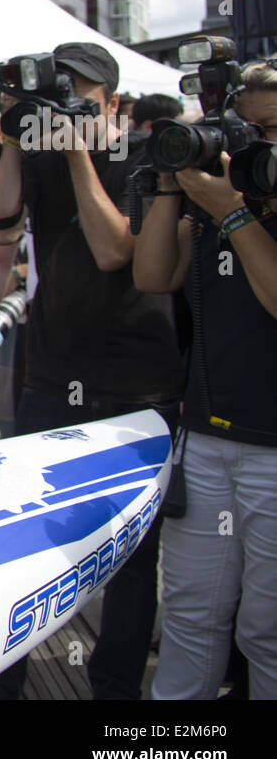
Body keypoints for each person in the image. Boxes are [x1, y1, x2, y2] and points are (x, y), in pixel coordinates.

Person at [0, 41, 184, 699]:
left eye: (82, 102)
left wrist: (73, 152)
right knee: (32, 545)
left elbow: (111, 251)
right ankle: (7, 685)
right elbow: (2, 227)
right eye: (56, 97)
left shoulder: (145, 156)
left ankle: (116, 693)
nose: (65, 112)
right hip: (52, 375)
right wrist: (14, 132)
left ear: (114, 104)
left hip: (136, 382)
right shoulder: (35, 148)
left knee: (129, 555)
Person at [134, 58, 277, 700]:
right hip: (207, 436)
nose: (255, 145)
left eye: (269, 131)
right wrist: (172, 185)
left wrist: (237, 214)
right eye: (247, 130)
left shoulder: (238, 210)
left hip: (273, 450)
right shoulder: (220, 204)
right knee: (190, 613)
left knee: (267, 630)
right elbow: (151, 275)